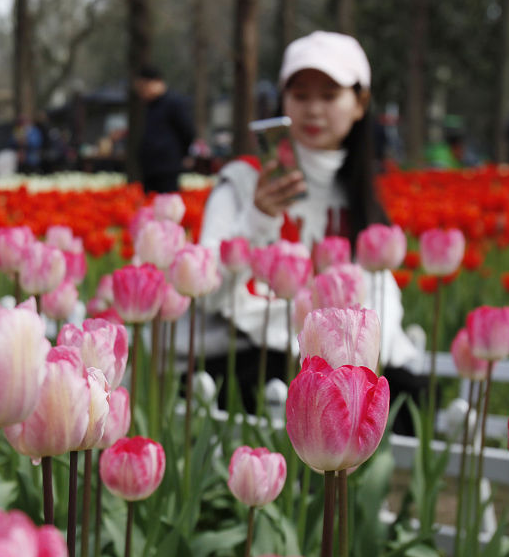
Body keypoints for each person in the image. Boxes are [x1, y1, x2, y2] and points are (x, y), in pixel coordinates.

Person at [199, 31, 421, 417]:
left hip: (346, 364)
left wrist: (364, 355)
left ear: (360, 103)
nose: (313, 110)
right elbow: (205, 292)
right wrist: (258, 217)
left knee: (409, 394)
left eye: (330, 96)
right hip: (253, 357)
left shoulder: (360, 196)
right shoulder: (243, 182)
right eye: (300, 96)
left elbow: (381, 293)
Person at [135, 64, 195, 194]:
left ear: (156, 82)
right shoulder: (150, 106)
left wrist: (184, 154)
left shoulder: (174, 103)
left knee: (167, 201)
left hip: (167, 167)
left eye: (143, 87)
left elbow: (187, 131)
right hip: (150, 167)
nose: (142, 92)